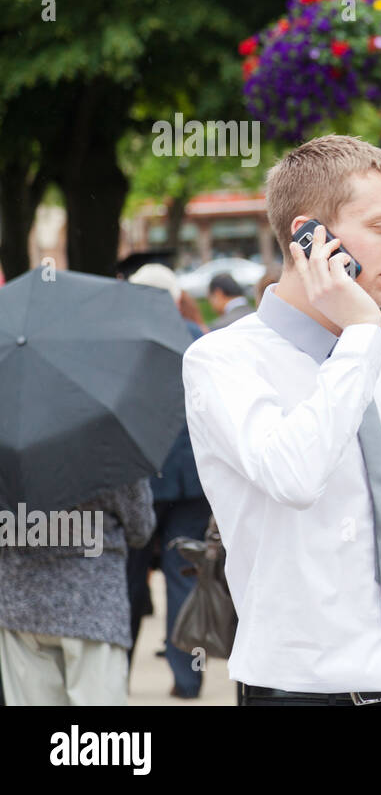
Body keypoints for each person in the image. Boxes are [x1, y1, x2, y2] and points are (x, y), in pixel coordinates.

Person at [183, 134, 381, 706]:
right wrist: (358, 339)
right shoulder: (222, 361)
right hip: (302, 693)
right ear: (311, 237)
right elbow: (294, 476)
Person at [126, 263, 214, 699]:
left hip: (139, 478)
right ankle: (187, 677)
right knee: (184, 574)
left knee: (127, 577)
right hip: (192, 477)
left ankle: (115, 675)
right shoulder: (198, 339)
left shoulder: (122, 344)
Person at [0, 484, 155, 705]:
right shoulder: (110, 454)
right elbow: (140, 529)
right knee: (97, 738)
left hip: (20, 603)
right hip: (93, 607)